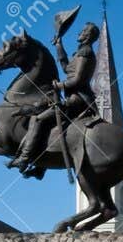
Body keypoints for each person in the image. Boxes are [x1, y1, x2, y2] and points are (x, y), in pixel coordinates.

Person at [11, 20, 100, 174]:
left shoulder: (86, 53)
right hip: (72, 97)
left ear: (89, 36)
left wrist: (60, 86)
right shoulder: (80, 53)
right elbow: (66, 68)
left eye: (84, 31)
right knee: (48, 120)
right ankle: (40, 167)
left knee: (39, 119)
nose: (80, 32)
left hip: (78, 100)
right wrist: (59, 45)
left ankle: (24, 159)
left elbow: (78, 79)